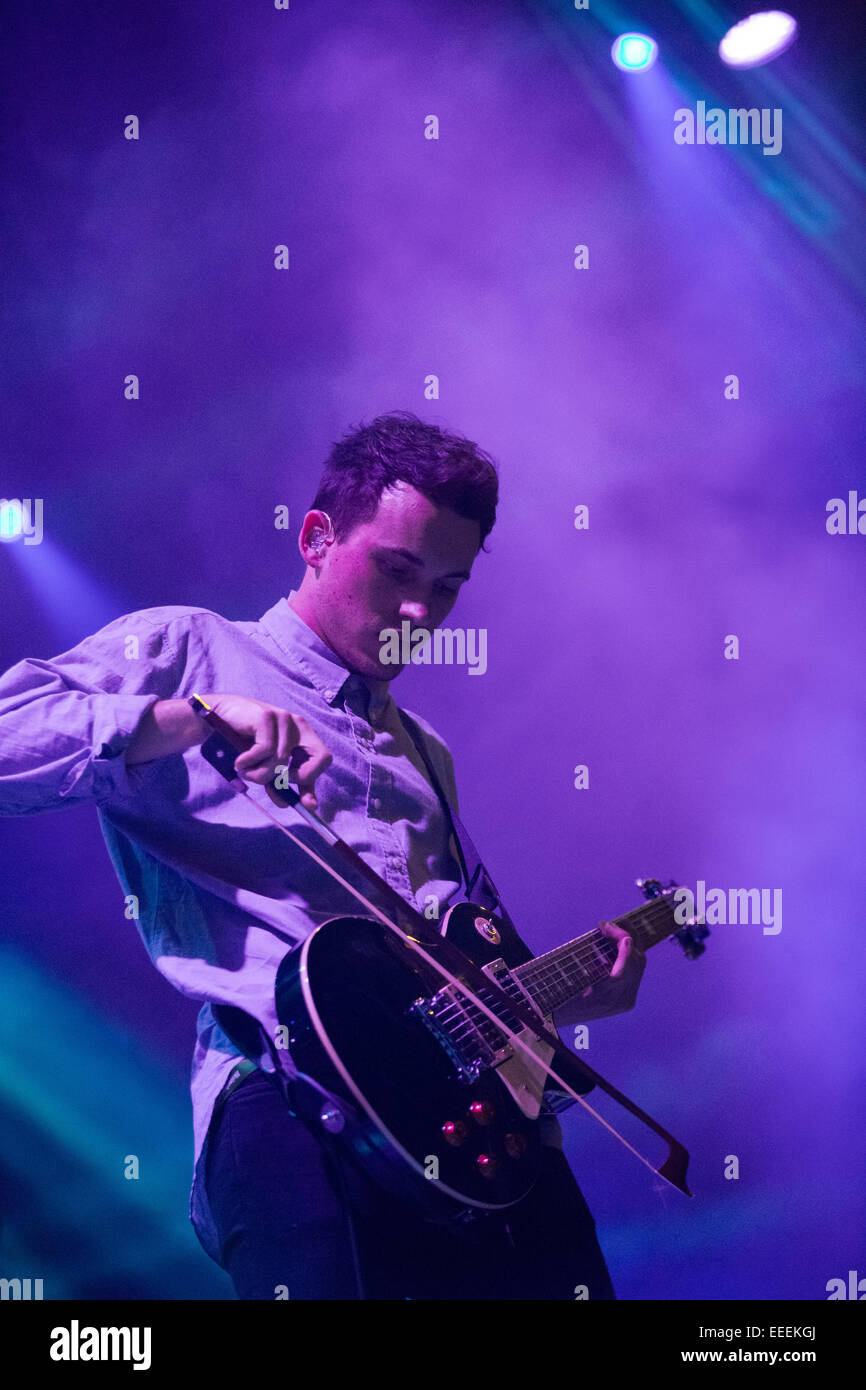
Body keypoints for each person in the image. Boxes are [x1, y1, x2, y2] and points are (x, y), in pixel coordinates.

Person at [0, 411, 645, 1299]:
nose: (420, 610)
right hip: (289, 1110)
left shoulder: (426, 754)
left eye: (447, 586)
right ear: (316, 538)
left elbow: (454, 973)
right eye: (397, 569)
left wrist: (565, 997)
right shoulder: (195, 648)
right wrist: (193, 715)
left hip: (462, 1137)